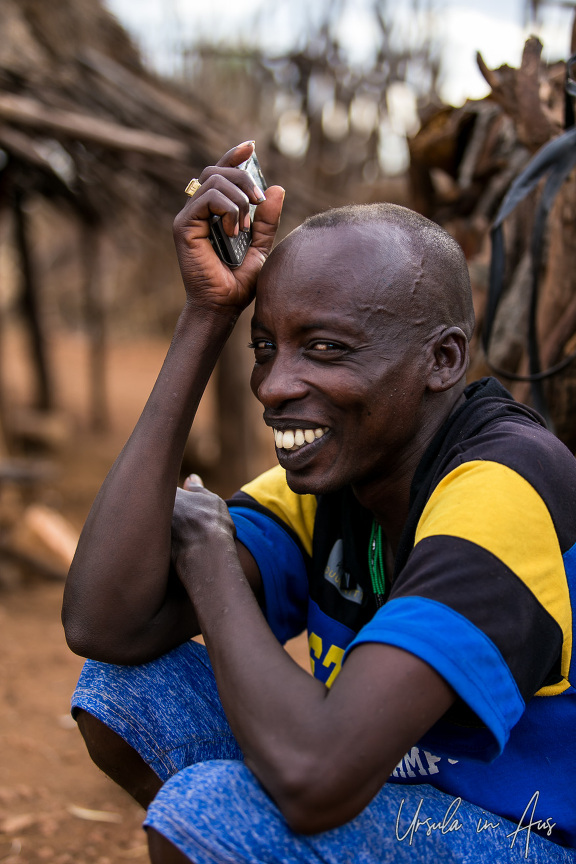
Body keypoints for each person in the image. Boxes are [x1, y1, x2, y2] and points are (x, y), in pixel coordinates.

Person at [62, 141, 576, 864]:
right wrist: (207, 316)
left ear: (444, 359)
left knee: (210, 815)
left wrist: (208, 553)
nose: (274, 386)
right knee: (122, 687)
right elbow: (103, 622)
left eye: (327, 348)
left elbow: (316, 778)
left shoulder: (502, 486)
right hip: (383, 794)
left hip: (527, 836)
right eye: (266, 347)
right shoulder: (347, 473)